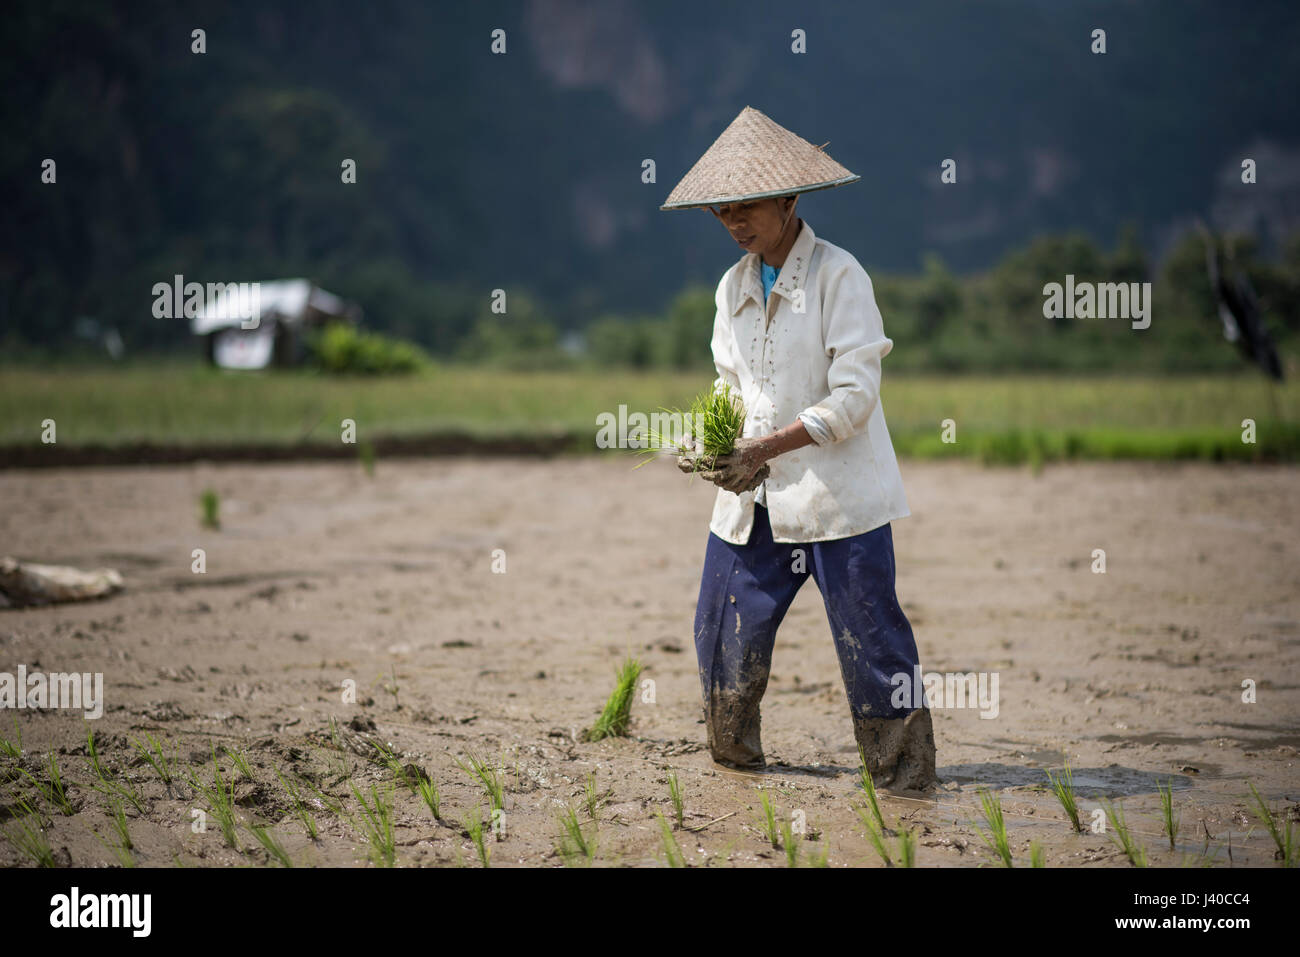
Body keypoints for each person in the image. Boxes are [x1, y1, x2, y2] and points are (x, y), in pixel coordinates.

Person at [660, 106, 938, 790]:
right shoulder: (731, 288)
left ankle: (904, 783)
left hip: (838, 500)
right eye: (721, 212)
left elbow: (853, 396)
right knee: (720, 632)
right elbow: (731, 386)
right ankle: (736, 774)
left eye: (745, 208)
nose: (734, 224)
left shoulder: (839, 278)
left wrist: (766, 446)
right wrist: (711, 442)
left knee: (872, 644)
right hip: (754, 502)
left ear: (788, 199)